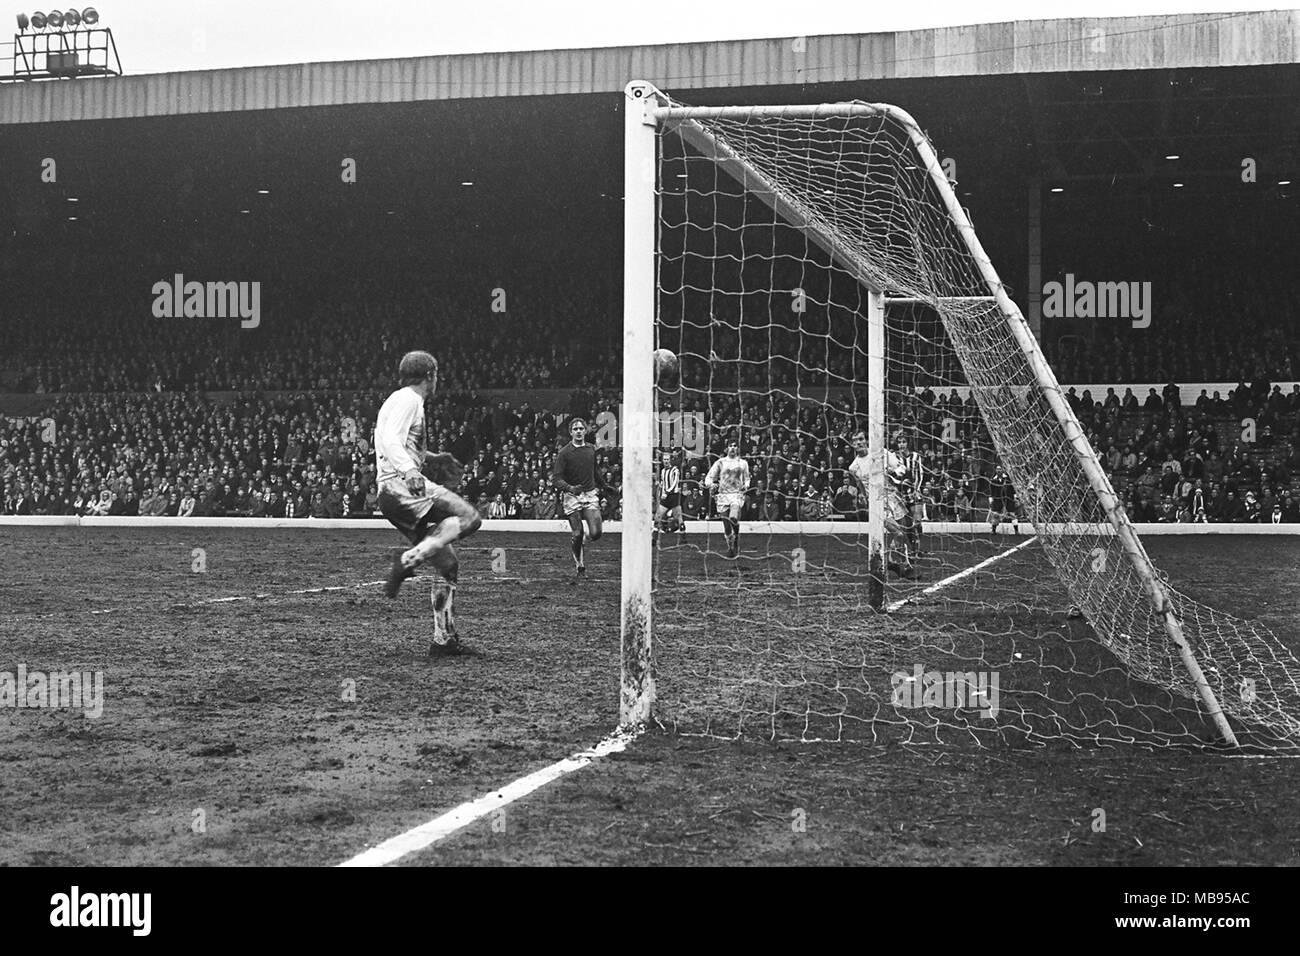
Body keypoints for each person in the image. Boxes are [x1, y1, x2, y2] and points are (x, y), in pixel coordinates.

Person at [377, 350, 482, 657]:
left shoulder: (397, 400)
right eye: (437, 375)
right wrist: (410, 470)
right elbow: (390, 442)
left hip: (390, 494)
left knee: (448, 563)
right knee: (470, 517)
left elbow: (392, 442)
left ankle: (443, 639)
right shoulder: (410, 400)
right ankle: (408, 561)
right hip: (402, 488)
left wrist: (432, 458)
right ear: (430, 376)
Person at [551, 417, 603, 577]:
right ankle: (579, 564)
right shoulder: (564, 453)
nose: (579, 431)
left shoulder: (590, 449)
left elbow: (595, 471)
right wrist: (570, 488)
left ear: (585, 431)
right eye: (576, 429)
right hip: (571, 496)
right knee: (577, 533)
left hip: (589, 494)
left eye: (581, 428)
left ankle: (584, 541)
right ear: (571, 432)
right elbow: (556, 479)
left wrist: (605, 486)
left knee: (596, 533)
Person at [704, 439, 750, 558]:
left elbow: (747, 478)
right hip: (723, 496)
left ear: (738, 448)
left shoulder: (743, 463)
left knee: (733, 517)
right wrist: (711, 484)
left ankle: (736, 538)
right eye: (731, 446)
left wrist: (746, 485)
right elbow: (709, 477)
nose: (733, 448)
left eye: (735, 446)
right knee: (726, 527)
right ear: (727, 448)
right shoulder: (720, 462)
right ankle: (731, 547)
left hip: (736, 494)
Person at [655, 447, 686, 544]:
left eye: (667, 459)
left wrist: (667, 492)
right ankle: (653, 539)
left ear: (670, 460)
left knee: (679, 517)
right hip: (665, 497)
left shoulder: (675, 470)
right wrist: (662, 493)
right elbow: (663, 484)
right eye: (664, 459)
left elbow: (675, 483)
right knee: (657, 516)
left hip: (674, 496)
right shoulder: (663, 471)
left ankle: (683, 538)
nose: (666, 461)